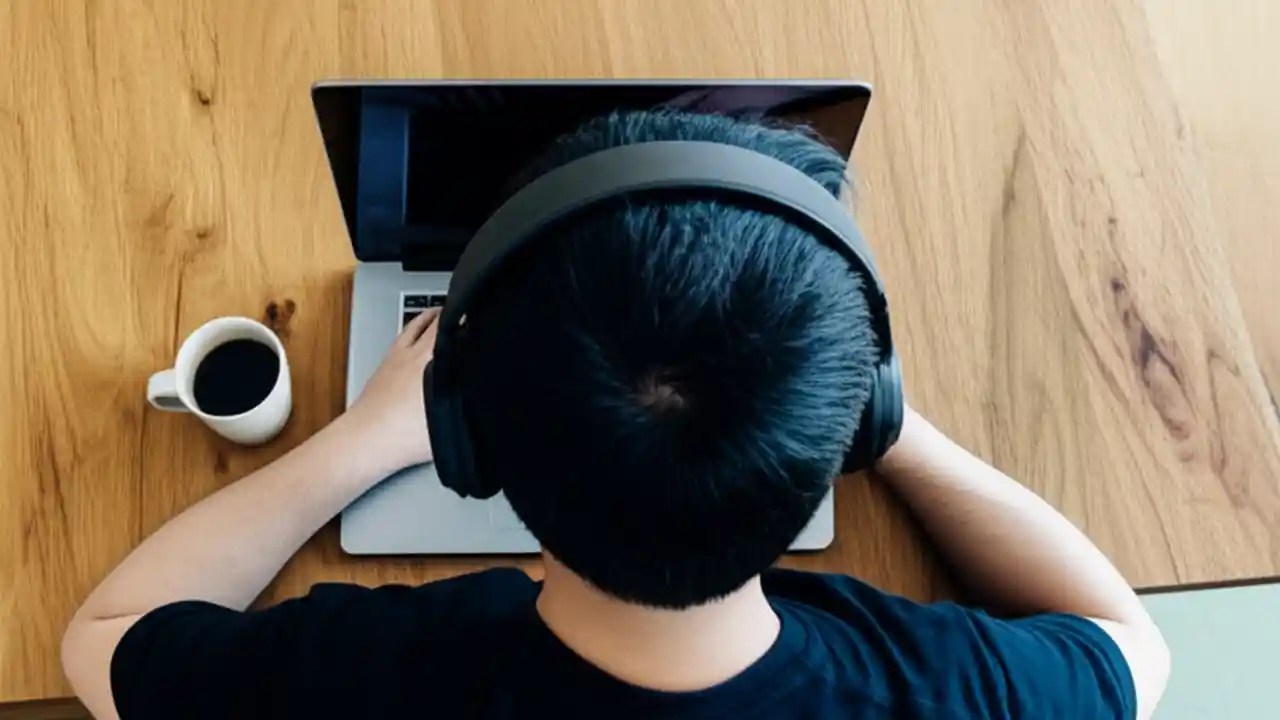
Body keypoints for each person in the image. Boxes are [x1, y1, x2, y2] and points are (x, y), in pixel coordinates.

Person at [62, 110, 1170, 719]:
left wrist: (358, 442)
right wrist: (885, 419)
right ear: (849, 419)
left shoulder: (374, 683)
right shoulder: (944, 693)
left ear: (466, 437)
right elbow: (1130, 647)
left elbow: (104, 638)